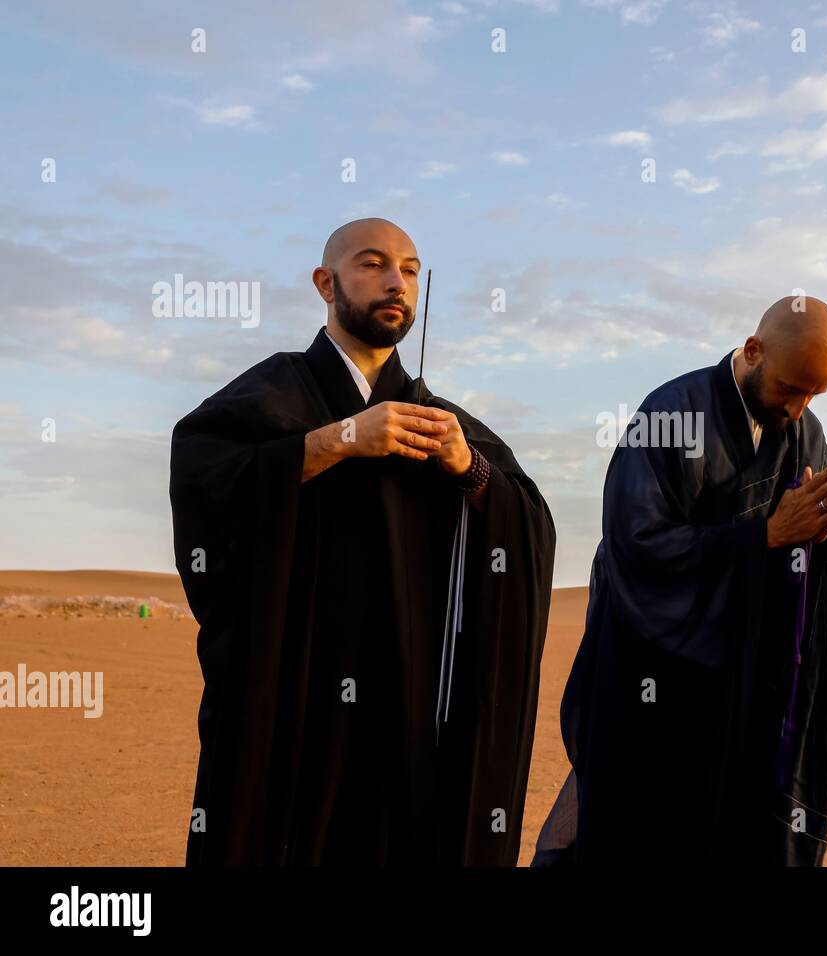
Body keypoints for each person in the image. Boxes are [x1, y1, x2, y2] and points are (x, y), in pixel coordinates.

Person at [170, 218, 556, 865]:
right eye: (373, 264)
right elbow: (205, 477)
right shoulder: (275, 393)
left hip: (406, 720)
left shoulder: (441, 424)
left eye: (408, 269)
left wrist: (471, 471)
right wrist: (338, 440)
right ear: (326, 283)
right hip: (288, 704)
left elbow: (527, 526)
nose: (395, 282)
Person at [533, 295, 827, 866]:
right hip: (652, 683)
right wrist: (763, 536)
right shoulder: (670, 416)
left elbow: (819, 540)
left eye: (815, 395)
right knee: (636, 836)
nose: (799, 407)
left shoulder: (803, 429)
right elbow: (638, 545)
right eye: (790, 387)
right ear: (754, 350)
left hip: (744, 689)